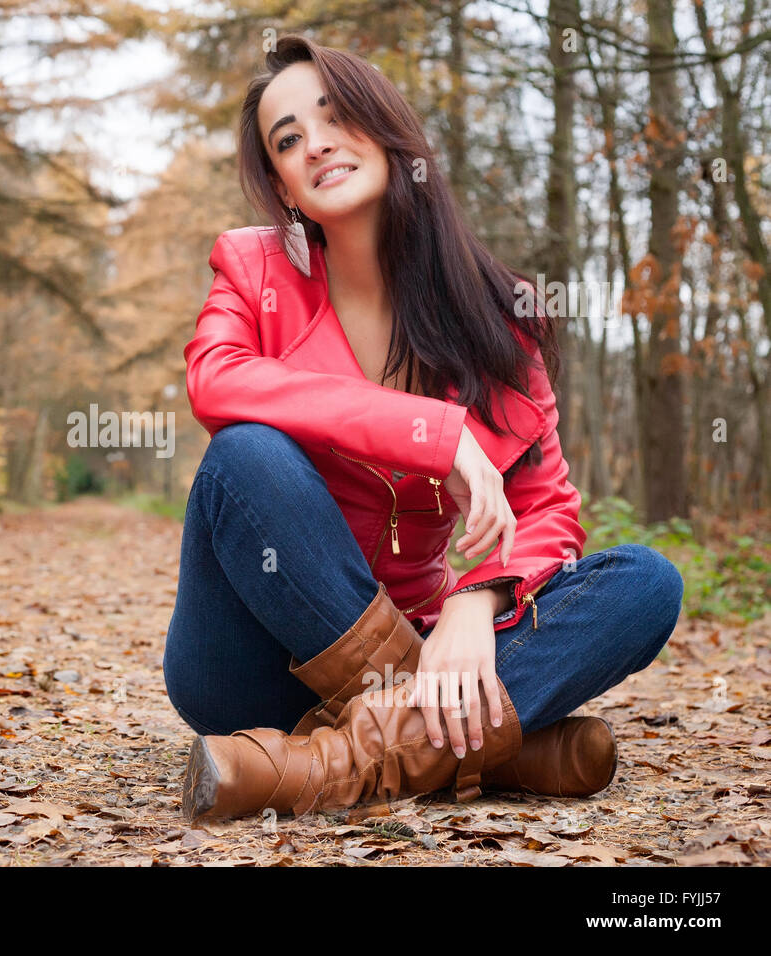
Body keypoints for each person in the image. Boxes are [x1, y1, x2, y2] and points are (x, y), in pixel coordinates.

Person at [163, 35, 685, 823]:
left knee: (647, 583)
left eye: (336, 115)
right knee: (245, 456)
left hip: (430, 631)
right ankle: (492, 744)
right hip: (253, 665)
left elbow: (545, 508)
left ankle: (329, 762)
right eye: (289, 139)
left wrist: (476, 603)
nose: (317, 144)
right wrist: (429, 430)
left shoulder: (495, 315)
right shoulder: (254, 267)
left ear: (387, 126)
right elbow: (215, 379)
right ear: (283, 186)